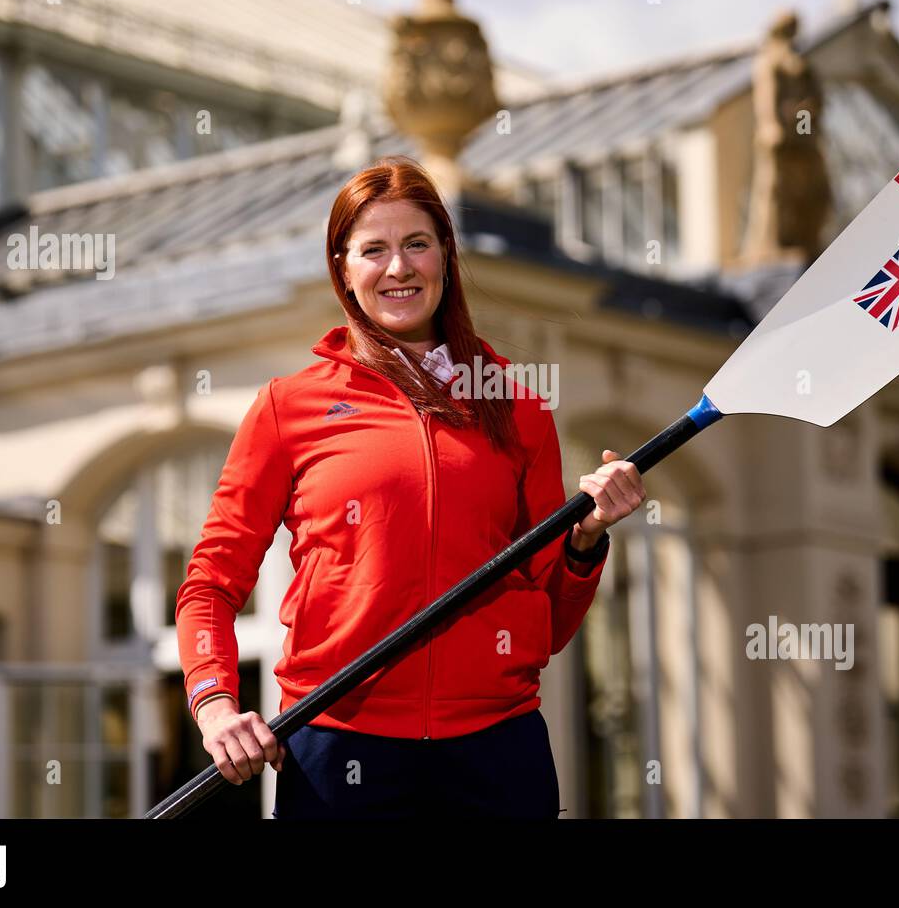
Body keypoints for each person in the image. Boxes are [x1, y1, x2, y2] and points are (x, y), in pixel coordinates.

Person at [174, 155, 644, 818]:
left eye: (417, 244)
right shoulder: (289, 408)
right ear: (342, 268)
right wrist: (216, 707)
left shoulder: (514, 405)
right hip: (339, 751)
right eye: (374, 249)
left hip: (495, 754)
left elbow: (551, 621)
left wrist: (586, 541)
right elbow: (210, 585)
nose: (399, 268)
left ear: (446, 257)